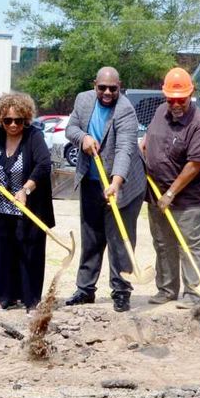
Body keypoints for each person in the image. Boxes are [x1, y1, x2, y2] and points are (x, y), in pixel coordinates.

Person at [62, 66, 146, 312]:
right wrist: (83, 139)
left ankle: (121, 291)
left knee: (120, 238)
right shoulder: (83, 100)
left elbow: (125, 150)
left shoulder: (125, 110)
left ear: (120, 86)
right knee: (91, 236)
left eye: (113, 88)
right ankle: (85, 289)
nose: (108, 92)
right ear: (94, 85)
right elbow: (71, 129)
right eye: (102, 88)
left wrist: (116, 182)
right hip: (91, 179)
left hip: (124, 183)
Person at [142, 67, 200, 309]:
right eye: (171, 99)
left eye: (180, 100)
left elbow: (195, 164)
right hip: (156, 193)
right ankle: (166, 289)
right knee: (163, 244)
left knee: (188, 245)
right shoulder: (160, 112)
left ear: (190, 95)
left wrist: (171, 193)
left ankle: (193, 294)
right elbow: (149, 140)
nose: (175, 104)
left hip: (189, 199)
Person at [0, 92, 53, 311]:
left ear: (26, 118)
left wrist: (26, 189)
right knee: (3, 252)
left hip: (28, 207)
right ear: (1, 119)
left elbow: (43, 164)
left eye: (18, 120)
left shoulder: (34, 136)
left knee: (30, 254)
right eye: (7, 120)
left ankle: (31, 300)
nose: (12, 125)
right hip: (1, 208)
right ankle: (2, 297)